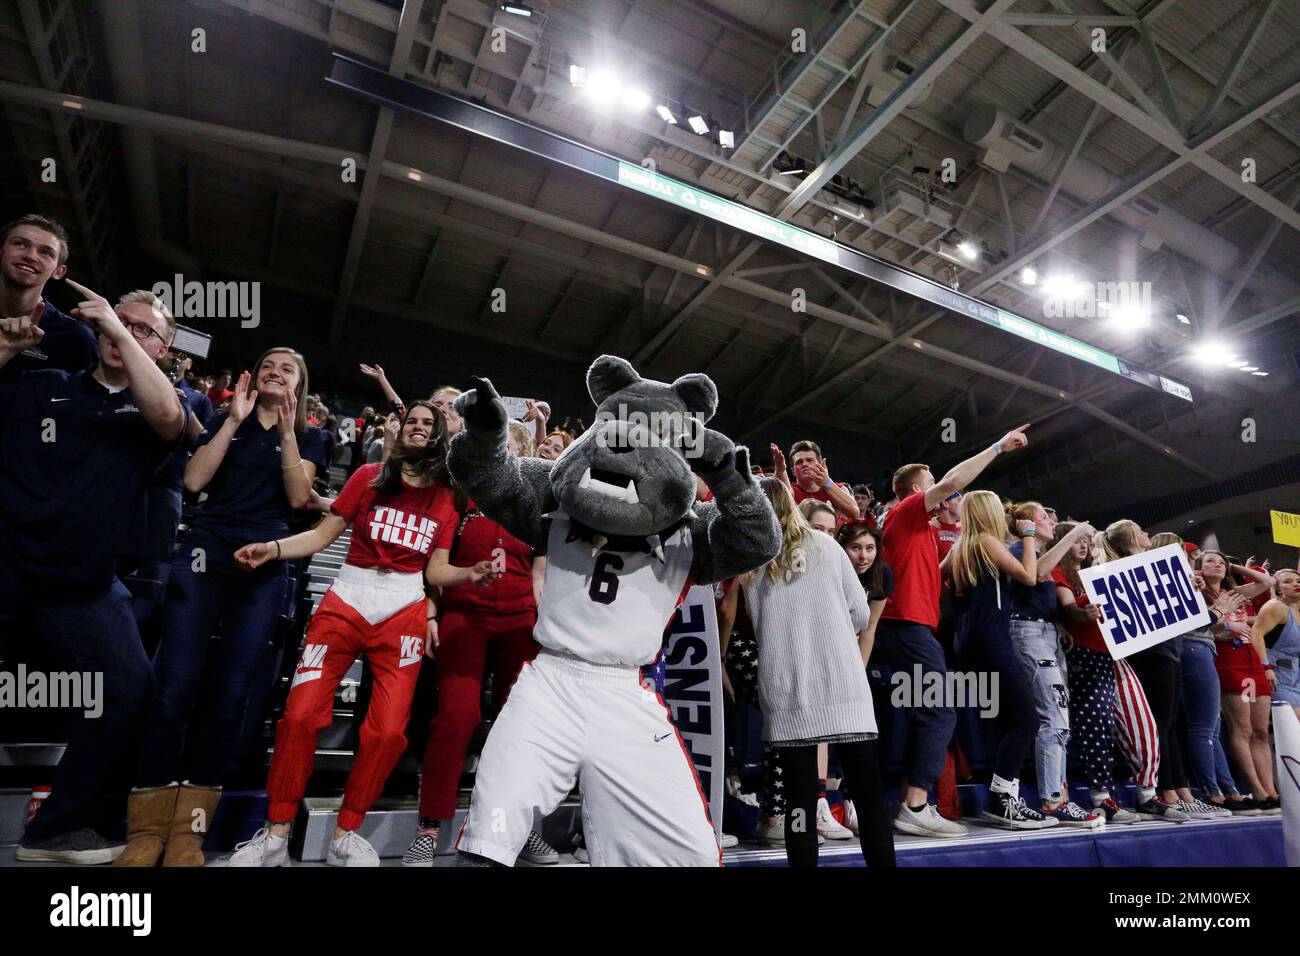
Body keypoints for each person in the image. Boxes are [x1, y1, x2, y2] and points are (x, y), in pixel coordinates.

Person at [220, 402, 494, 866]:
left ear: (440, 436)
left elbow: (437, 568)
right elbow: (323, 535)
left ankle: (347, 832)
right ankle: (276, 832)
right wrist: (274, 548)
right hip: (346, 599)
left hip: (404, 610)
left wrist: (470, 573)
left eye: (429, 424)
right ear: (402, 430)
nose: (419, 428)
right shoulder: (367, 476)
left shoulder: (450, 496)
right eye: (413, 421)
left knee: (387, 733)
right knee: (301, 716)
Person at [1, 282, 186, 863]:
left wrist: (115, 323)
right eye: (114, 323)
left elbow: (169, 417)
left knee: (129, 687)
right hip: (6, 567)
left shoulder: (150, 409)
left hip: (80, 585)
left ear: (162, 352)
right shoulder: (42, 385)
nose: (121, 334)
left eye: (142, 331)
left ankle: (58, 828)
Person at [121, 347, 329, 866]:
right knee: (174, 685)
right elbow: (194, 481)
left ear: (300, 384)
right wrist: (232, 423)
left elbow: (300, 497)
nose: (275, 372)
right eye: (268, 366)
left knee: (231, 692)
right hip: (205, 551)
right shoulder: (223, 418)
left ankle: (191, 830)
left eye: (288, 367)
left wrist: (285, 434)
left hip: (263, 562)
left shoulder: (311, 437)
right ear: (254, 377)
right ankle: (147, 829)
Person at [403, 419, 553, 867]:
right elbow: (434, 568)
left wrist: (543, 628)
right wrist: (441, 601)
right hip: (465, 616)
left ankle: (516, 828)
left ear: (523, 449)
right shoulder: (461, 494)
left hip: (519, 623)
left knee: (519, 733)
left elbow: (541, 575)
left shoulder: (535, 505)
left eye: (505, 443)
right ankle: (430, 827)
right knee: (455, 719)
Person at [876, 423, 1029, 838]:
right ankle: (916, 805)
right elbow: (954, 480)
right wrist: (998, 446)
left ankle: (904, 801)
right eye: (933, 486)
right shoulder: (906, 512)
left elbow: (943, 571)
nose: (948, 494)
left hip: (908, 629)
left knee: (920, 714)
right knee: (941, 711)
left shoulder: (924, 532)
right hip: (906, 628)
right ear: (913, 491)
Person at [741, 478, 894, 868]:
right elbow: (861, 613)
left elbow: (758, 626)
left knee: (800, 808)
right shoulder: (826, 545)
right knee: (870, 803)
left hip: (787, 689)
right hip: (842, 683)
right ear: (792, 504)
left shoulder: (753, 562)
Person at [942, 491, 1056, 829]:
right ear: (990, 513)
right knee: (1025, 720)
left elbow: (937, 575)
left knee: (1005, 722)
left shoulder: (961, 546)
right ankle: (1001, 796)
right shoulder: (987, 541)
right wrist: (1030, 535)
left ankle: (1006, 795)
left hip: (967, 639)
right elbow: (1029, 576)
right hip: (991, 637)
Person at [1003, 502, 1101, 826]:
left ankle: (1059, 796)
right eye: (1044, 517)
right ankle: (1053, 800)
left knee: (1061, 718)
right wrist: (1072, 532)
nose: (1051, 520)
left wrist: (1057, 626)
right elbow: (1035, 576)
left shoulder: (1044, 554)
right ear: (1025, 523)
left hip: (1047, 635)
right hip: (1028, 633)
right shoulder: (1019, 547)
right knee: (1054, 718)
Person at [1049, 522, 1139, 823]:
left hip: (1106, 655)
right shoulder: (1060, 573)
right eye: (1077, 541)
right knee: (1092, 724)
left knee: (1102, 726)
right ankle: (1100, 797)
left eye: (1088, 541)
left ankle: (1106, 794)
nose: (1085, 545)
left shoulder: (1096, 574)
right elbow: (1068, 608)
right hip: (1082, 655)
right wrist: (1082, 613)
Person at [1196, 548, 1280, 813]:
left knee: (1260, 730)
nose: (1218, 565)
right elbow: (1204, 627)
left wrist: (1234, 568)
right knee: (1242, 729)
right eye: (1211, 561)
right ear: (1198, 567)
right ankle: (1256, 789)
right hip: (1231, 664)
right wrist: (1225, 630)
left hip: (1252, 661)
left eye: (1222, 562)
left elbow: (1268, 582)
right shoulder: (1199, 594)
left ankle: (1271, 790)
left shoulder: (1233, 593)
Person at [0, 214, 96, 379]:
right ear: (1, 252)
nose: (30, 256)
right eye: (20, 244)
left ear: (58, 272)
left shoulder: (76, 337)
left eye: (46, 253)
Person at [771, 439, 860, 522]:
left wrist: (827, 483)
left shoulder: (837, 488)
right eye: (799, 462)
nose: (805, 464)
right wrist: (780, 469)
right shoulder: (792, 490)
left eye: (810, 460)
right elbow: (783, 494)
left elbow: (855, 512)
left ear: (820, 465)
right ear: (793, 471)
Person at [1255, 568, 1300, 718]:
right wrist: (1265, 667)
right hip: (1277, 675)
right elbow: (1256, 634)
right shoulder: (1276, 606)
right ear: (1278, 589)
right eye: (1288, 581)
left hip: (1295, 676)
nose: (1295, 584)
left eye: (1298, 581)